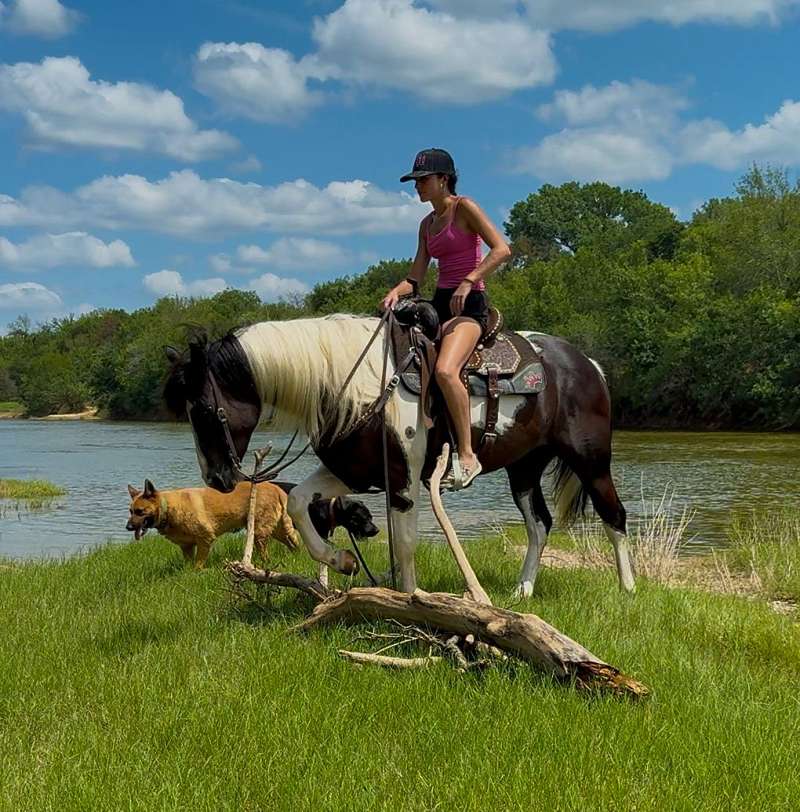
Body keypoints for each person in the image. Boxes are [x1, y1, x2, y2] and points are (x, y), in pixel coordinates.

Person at [382, 148, 511, 490]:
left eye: (423, 180)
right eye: (415, 181)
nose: (417, 186)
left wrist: (469, 280)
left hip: (470, 306)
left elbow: (502, 249)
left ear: (443, 179)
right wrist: (395, 293)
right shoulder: (426, 225)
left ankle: (467, 456)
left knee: (445, 370)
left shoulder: (464, 207)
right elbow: (415, 278)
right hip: (439, 305)